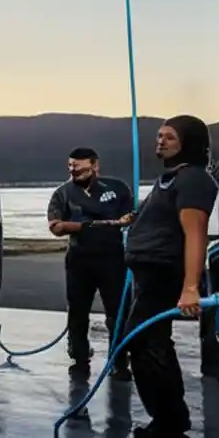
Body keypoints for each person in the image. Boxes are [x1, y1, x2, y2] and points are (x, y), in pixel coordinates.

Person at [122, 115, 218, 438]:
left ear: (188, 144)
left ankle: (170, 421)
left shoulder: (192, 180)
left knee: (145, 342)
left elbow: (196, 236)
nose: (160, 142)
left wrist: (190, 286)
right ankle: (170, 417)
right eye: (160, 136)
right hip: (148, 273)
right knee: (147, 341)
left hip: (165, 274)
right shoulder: (170, 179)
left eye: (170, 138)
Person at [46, 147, 135, 379]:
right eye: (71, 166)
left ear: (95, 166)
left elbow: (132, 215)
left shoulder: (117, 188)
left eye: (79, 166)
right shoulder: (62, 194)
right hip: (79, 259)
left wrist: (128, 220)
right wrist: (89, 225)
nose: (73, 171)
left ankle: (120, 359)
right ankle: (79, 356)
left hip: (113, 258)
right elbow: (55, 226)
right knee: (77, 310)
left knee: (118, 311)